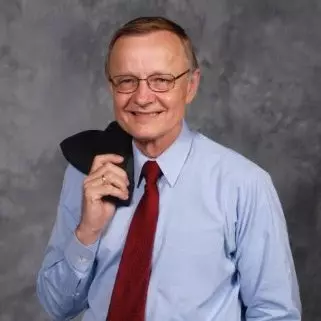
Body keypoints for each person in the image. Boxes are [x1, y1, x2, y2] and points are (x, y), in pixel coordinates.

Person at [36, 16, 302, 321]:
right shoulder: (87, 173)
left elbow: (275, 313)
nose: (142, 97)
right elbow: (57, 306)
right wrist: (88, 231)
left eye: (161, 80)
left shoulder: (244, 185)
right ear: (112, 87)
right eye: (127, 81)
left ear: (190, 86)